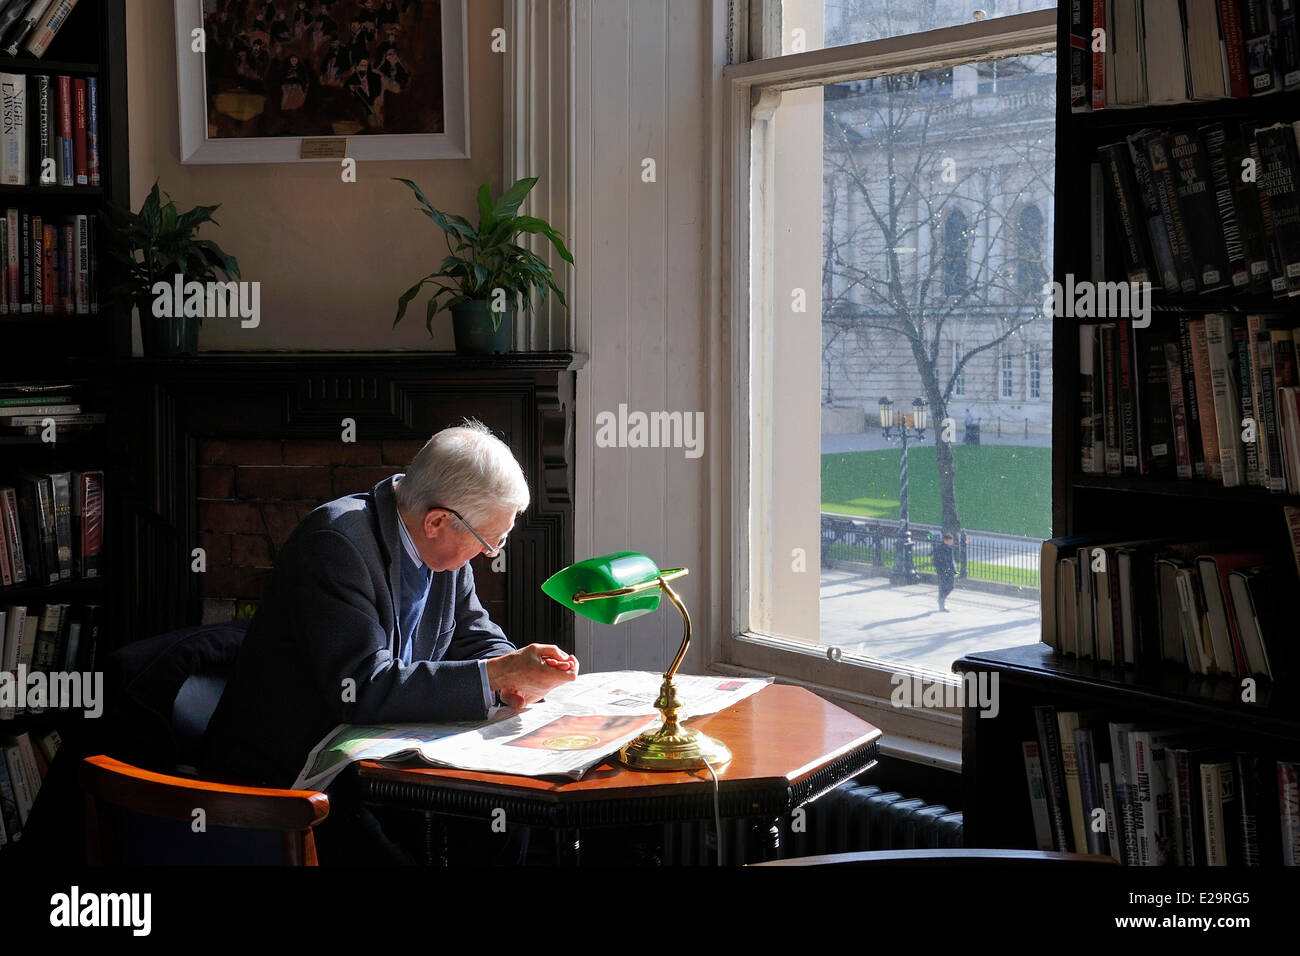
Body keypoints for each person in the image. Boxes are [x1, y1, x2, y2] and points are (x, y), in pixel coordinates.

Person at [201, 420, 579, 862]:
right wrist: (496, 674)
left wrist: (515, 673)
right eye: (487, 543)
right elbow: (361, 685)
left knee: (507, 817)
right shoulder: (337, 543)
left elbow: (476, 636)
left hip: (376, 759)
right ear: (437, 521)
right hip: (295, 773)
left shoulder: (445, 548)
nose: (487, 554)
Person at [932, 531, 957, 612]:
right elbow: (935, 561)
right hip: (942, 572)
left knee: (951, 586)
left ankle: (941, 599)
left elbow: (951, 560)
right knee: (942, 587)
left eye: (952, 541)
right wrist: (940, 570)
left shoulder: (950, 548)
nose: (952, 542)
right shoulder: (940, 549)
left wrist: (954, 570)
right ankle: (941, 602)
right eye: (950, 541)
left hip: (950, 571)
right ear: (945, 541)